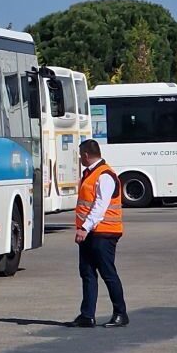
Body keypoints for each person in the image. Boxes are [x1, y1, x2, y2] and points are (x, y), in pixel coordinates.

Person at [67, 139, 129, 328]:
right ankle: (87, 315)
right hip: (90, 232)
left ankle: (120, 313)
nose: (79, 159)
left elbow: (99, 207)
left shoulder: (105, 175)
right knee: (87, 273)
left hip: (104, 232)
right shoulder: (90, 173)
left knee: (108, 273)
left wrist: (84, 228)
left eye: (80, 155)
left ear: (86, 155)